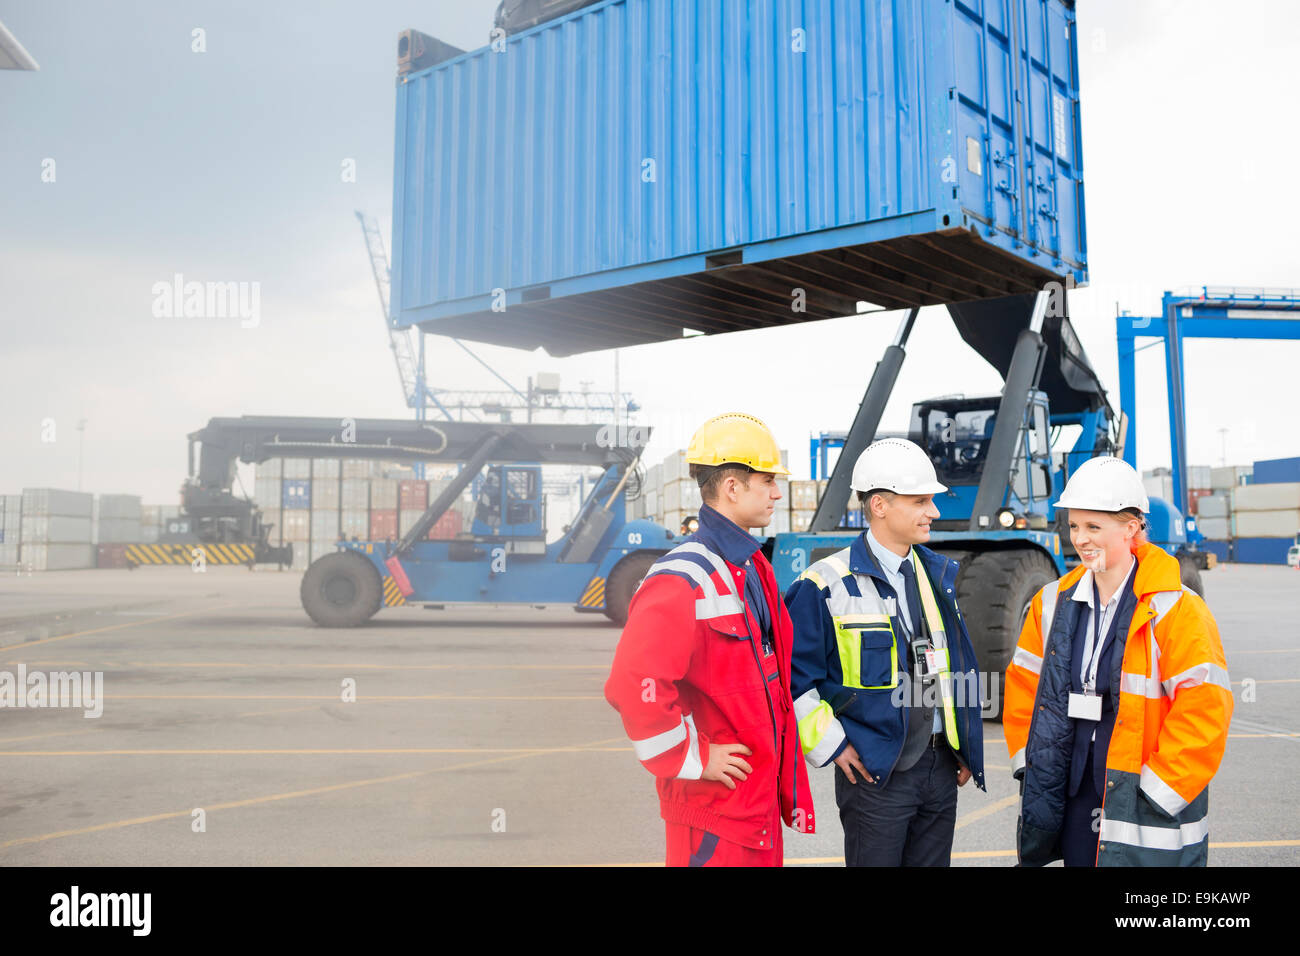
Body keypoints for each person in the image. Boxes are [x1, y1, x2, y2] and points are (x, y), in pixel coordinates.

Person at [604, 412, 815, 866]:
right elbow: (633, 685)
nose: (778, 492)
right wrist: (693, 756)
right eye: (768, 481)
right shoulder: (682, 578)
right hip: (713, 812)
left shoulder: (753, 567)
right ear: (733, 487)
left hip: (752, 804)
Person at [1004, 456, 1233, 866]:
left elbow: (1204, 708)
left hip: (1142, 791)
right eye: (1074, 526)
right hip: (1070, 784)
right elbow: (1023, 687)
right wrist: (1030, 766)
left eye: (1094, 527)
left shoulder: (1176, 607)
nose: (1081, 539)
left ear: (1132, 529)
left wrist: (1160, 790)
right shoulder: (1051, 601)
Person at [785, 438, 985, 867]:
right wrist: (834, 746)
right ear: (879, 505)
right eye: (921, 501)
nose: (933, 511)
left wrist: (963, 745)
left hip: (940, 768)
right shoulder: (824, 584)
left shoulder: (937, 574)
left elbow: (952, 667)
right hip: (875, 774)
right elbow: (795, 679)